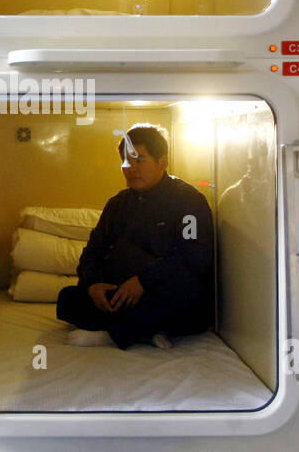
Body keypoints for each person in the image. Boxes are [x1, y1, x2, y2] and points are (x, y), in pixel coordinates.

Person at [56, 123, 215, 349]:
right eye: (126, 161)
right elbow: (92, 251)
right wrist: (93, 285)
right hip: (123, 294)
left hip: (163, 292)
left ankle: (113, 335)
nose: (131, 168)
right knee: (68, 299)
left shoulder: (188, 202)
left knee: (184, 293)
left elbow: (194, 257)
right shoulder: (118, 204)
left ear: (162, 162)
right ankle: (144, 331)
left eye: (139, 160)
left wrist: (143, 281)